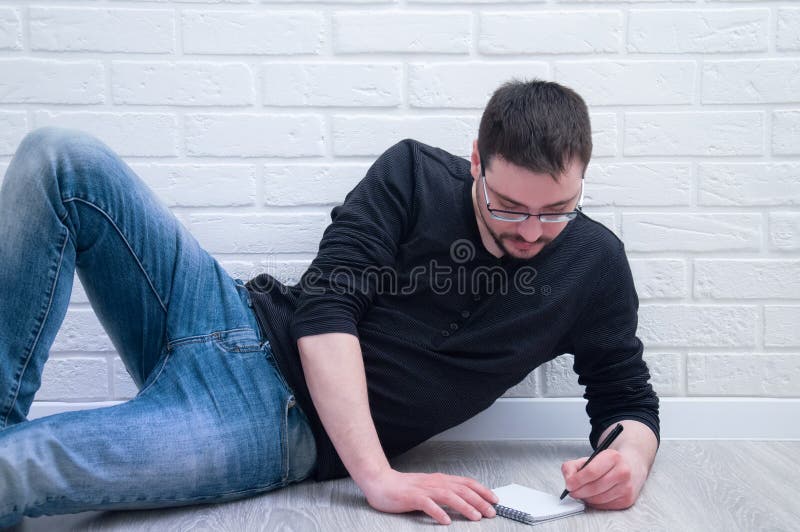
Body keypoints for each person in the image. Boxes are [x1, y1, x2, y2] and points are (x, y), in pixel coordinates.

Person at [0, 79, 659, 527]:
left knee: (18, 467)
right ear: (476, 162)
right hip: (225, 313)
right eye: (509, 207)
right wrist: (378, 478)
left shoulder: (595, 264)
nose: (532, 232)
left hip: (275, 422)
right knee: (59, 156)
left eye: (557, 211)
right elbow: (325, 308)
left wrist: (628, 459)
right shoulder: (412, 172)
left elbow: (626, 398)